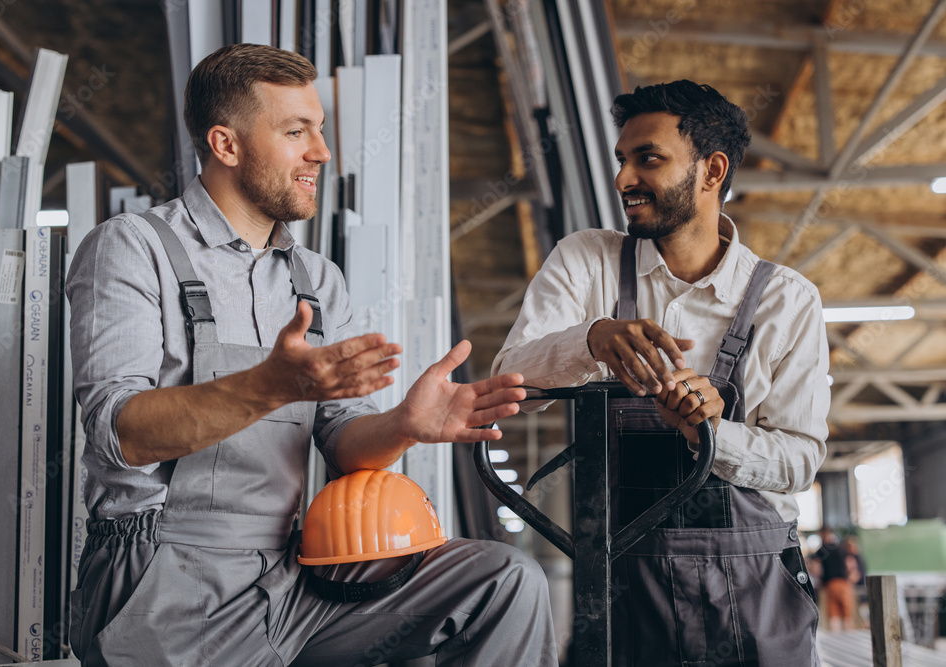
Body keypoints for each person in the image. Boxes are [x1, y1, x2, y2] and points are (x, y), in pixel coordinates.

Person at [67, 43, 558, 666]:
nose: (321, 153)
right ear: (226, 144)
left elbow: (342, 435)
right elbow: (120, 432)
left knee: (503, 580)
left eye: (319, 131)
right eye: (296, 132)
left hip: (292, 576)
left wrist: (405, 426)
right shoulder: (133, 248)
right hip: (163, 581)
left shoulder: (314, 280)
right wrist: (269, 386)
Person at [493, 80, 829, 666]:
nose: (624, 180)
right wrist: (591, 339)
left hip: (754, 582)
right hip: (624, 575)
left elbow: (800, 458)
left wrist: (711, 436)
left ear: (712, 171)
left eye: (647, 159)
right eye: (621, 160)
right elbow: (510, 388)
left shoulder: (788, 301)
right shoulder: (586, 260)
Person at [811, 527, 856, 631]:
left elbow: (814, 566)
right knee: (847, 612)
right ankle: (848, 636)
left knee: (833, 612)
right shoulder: (841, 548)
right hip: (843, 582)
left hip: (830, 583)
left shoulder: (822, 550)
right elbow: (851, 564)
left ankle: (836, 637)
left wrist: (819, 576)